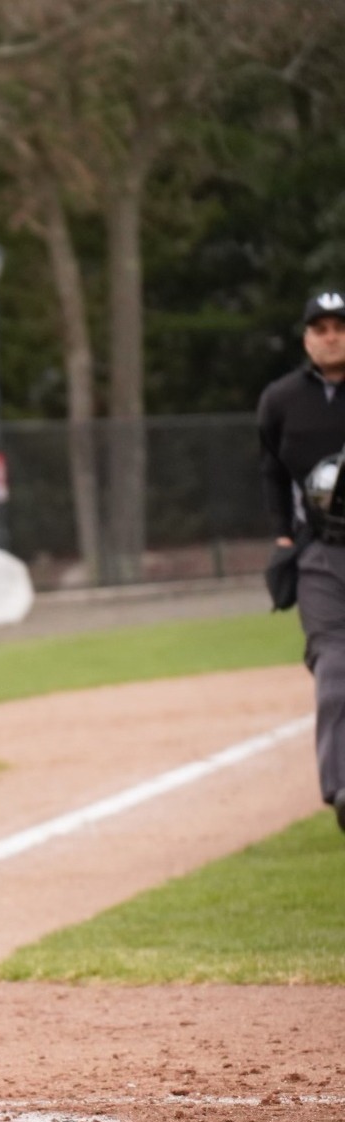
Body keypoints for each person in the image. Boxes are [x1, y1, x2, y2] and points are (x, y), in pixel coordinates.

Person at [258, 290, 345, 833]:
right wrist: (284, 539)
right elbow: (271, 470)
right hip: (321, 554)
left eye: (340, 327)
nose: (331, 336)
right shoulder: (281, 399)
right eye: (321, 328)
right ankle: (341, 787)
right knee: (334, 666)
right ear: (307, 338)